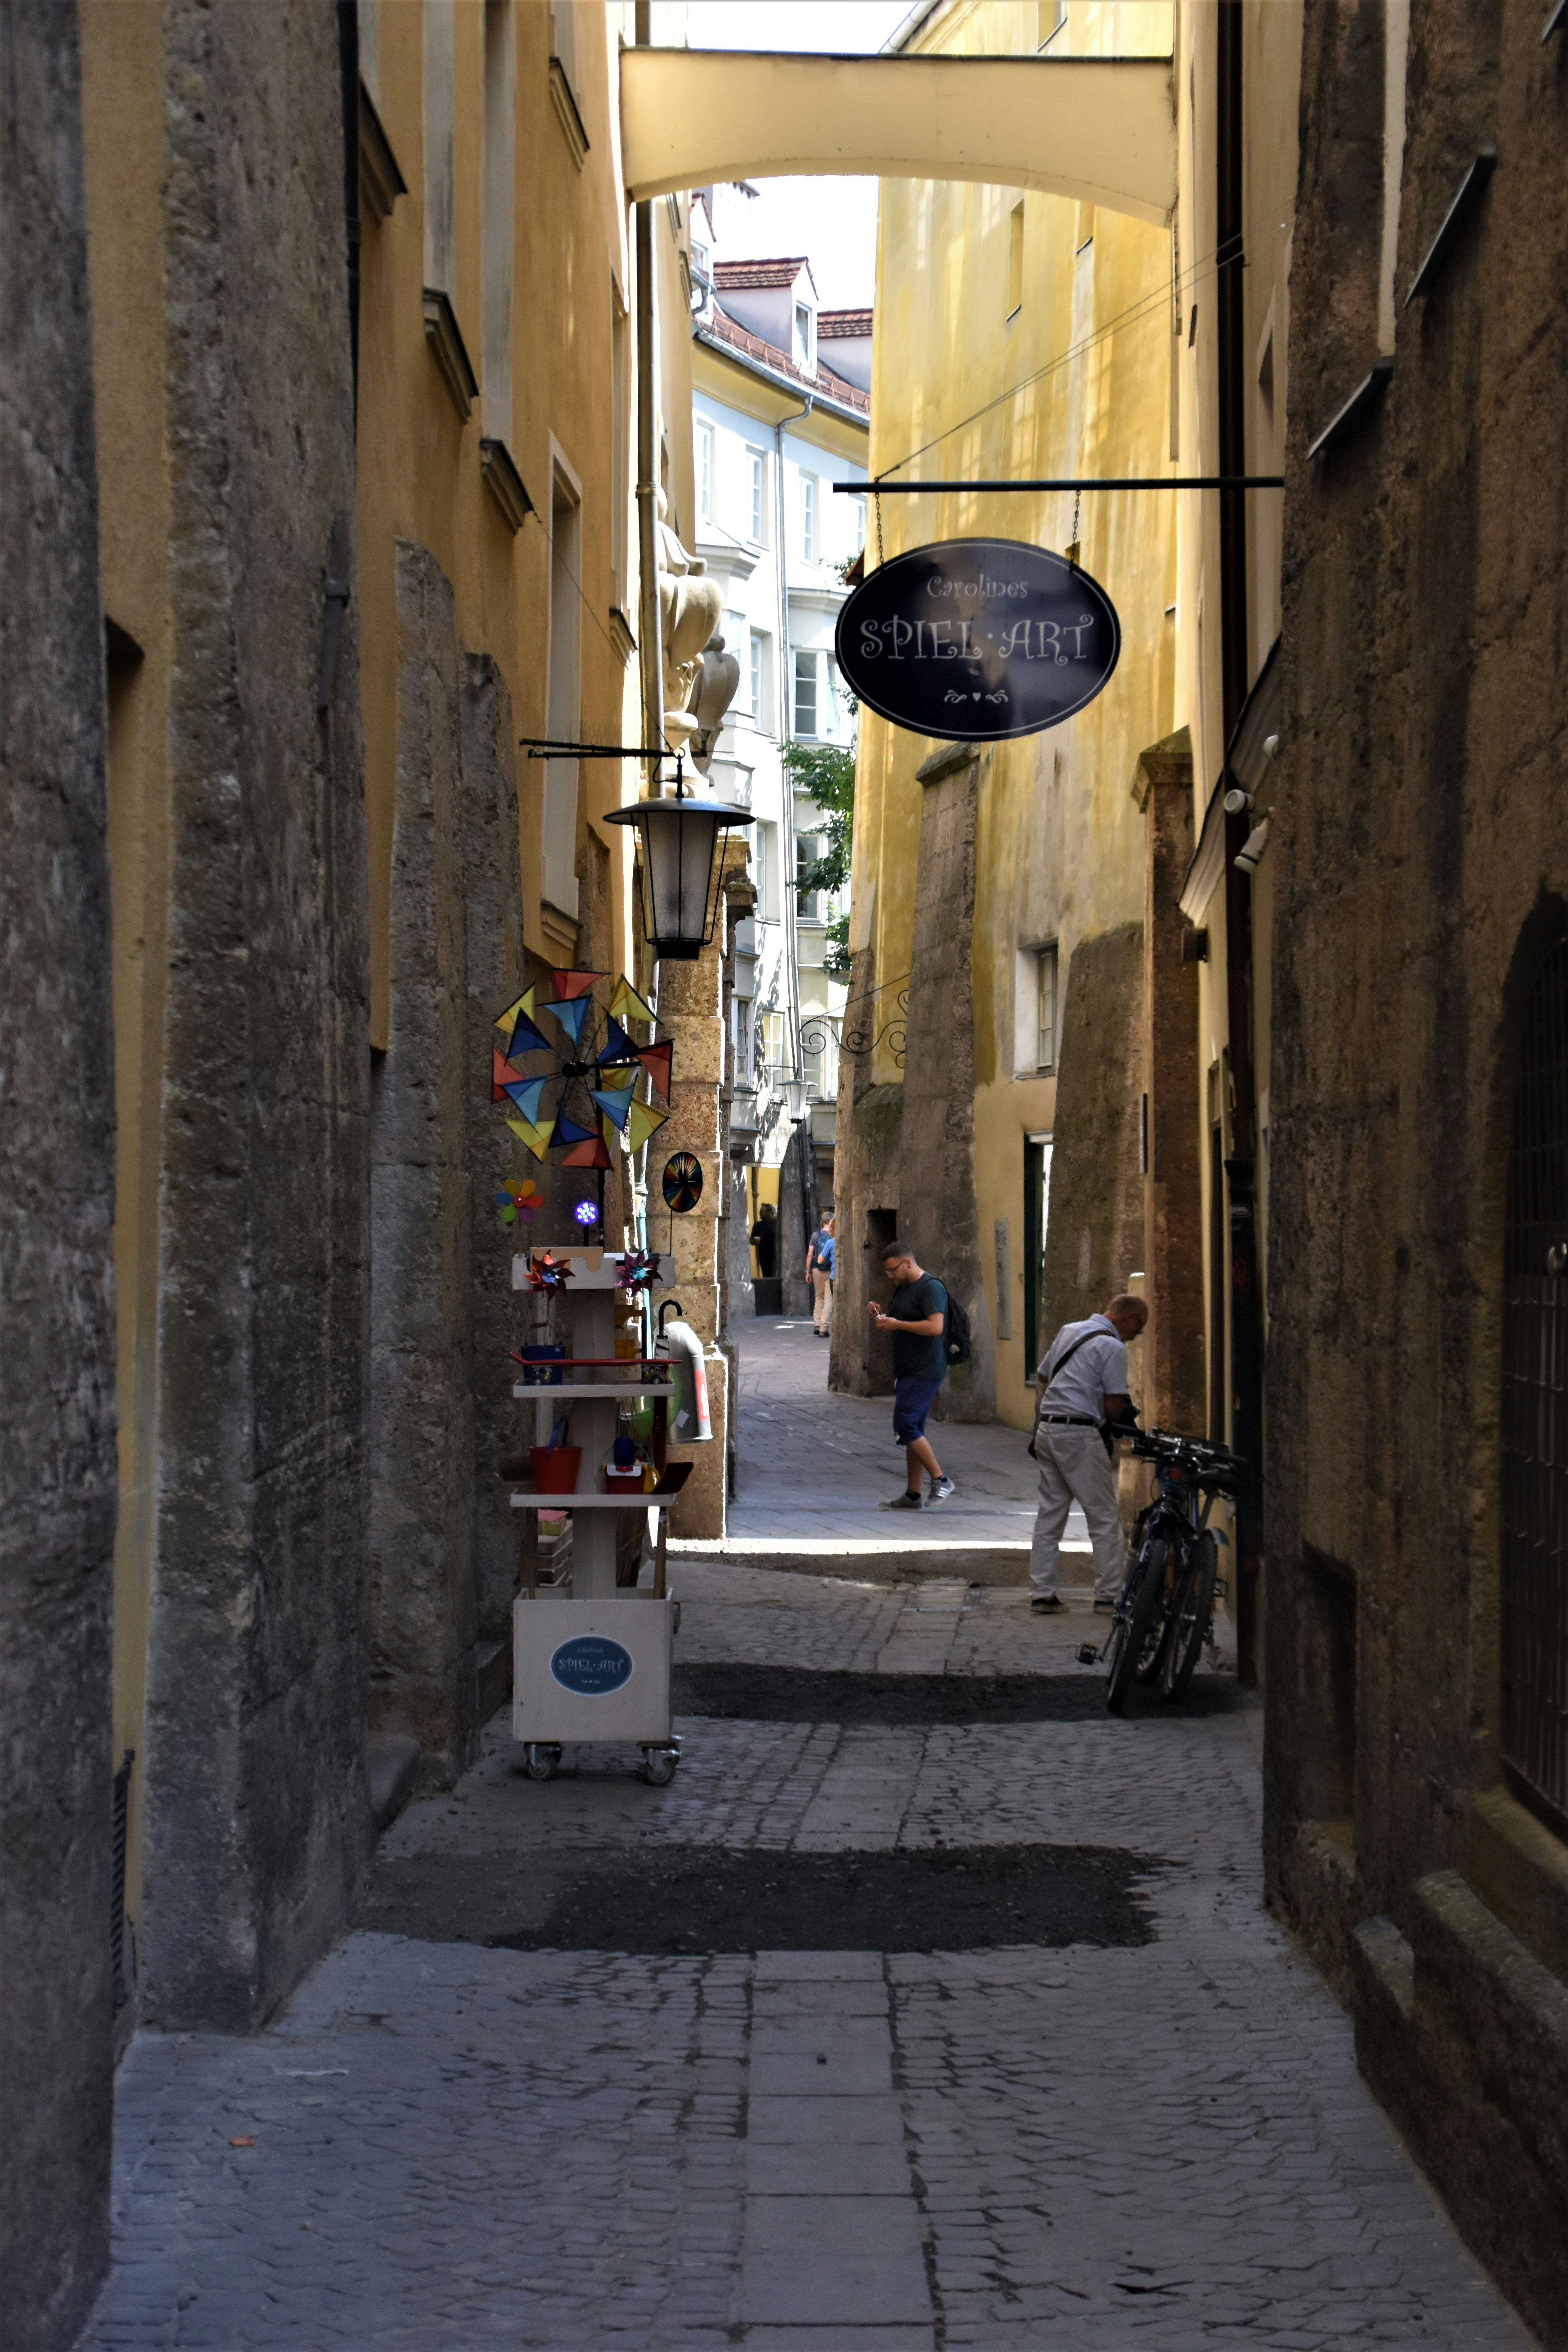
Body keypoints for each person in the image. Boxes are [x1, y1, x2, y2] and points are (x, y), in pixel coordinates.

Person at [1028, 1292, 1148, 1613]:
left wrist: (1077, 1385)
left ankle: (1042, 1594)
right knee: (1105, 1516)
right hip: (1079, 1434)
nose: (1138, 1335)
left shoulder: (1071, 1330)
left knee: (1050, 1516)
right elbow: (1112, 1406)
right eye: (1140, 1327)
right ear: (1130, 1317)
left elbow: (1043, 1374)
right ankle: (1108, 1597)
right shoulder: (1113, 1347)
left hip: (1048, 1428)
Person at [867, 1236, 956, 1510]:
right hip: (907, 1369)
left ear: (908, 1263)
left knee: (905, 1425)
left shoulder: (931, 1288)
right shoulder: (903, 1288)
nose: (890, 1275)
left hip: (925, 1369)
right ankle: (913, 1495)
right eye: (887, 1272)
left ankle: (941, 1480)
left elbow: (935, 1328)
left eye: (893, 1270)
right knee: (914, 1430)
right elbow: (901, 1321)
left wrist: (897, 1325)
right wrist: (882, 1318)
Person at [806, 1212, 835, 1336]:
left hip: (817, 1270)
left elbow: (810, 1255)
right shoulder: (834, 1237)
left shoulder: (815, 1235)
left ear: (822, 1221)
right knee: (829, 1299)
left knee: (819, 1297)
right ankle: (824, 1328)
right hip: (831, 1271)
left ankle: (817, 1325)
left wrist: (808, 1271)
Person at [750, 1200, 778, 1280]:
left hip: (776, 1255)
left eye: (762, 1212)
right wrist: (755, 1241)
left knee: (775, 1276)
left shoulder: (778, 1224)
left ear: (769, 1213)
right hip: (764, 1256)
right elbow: (752, 1240)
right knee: (767, 1276)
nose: (760, 1214)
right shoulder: (758, 1226)